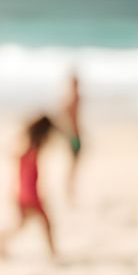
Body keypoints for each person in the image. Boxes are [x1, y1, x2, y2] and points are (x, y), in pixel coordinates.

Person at [0, 113, 58, 259]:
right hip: (30, 195)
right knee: (46, 224)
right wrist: (35, 197)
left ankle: (2, 241)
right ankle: (53, 253)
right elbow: (29, 176)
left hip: (21, 193)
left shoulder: (26, 148)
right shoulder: (32, 150)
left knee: (23, 224)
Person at [60, 69, 83, 203]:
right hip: (73, 137)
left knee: (73, 166)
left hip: (72, 136)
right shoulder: (74, 98)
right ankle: (69, 191)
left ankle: (70, 191)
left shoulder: (71, 98)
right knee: (72, 166)